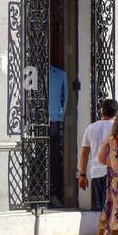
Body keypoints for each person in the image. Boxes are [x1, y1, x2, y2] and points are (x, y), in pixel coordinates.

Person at [77, 98, 118, 235]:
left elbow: (84, 154)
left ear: (102, 111)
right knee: (112, 207)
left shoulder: (90, 128)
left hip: (95, 173)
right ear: (117, 113)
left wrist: (82, 174)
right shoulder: (116, 128)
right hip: (111, 172)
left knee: (103, 208)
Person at [48, 64, 68, 207]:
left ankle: (54, 192)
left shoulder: (60, 74)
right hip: (37, 119)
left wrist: (60, 115)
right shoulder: (33, 72)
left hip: (54, 119)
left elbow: (64, 95)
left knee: (54, 157)